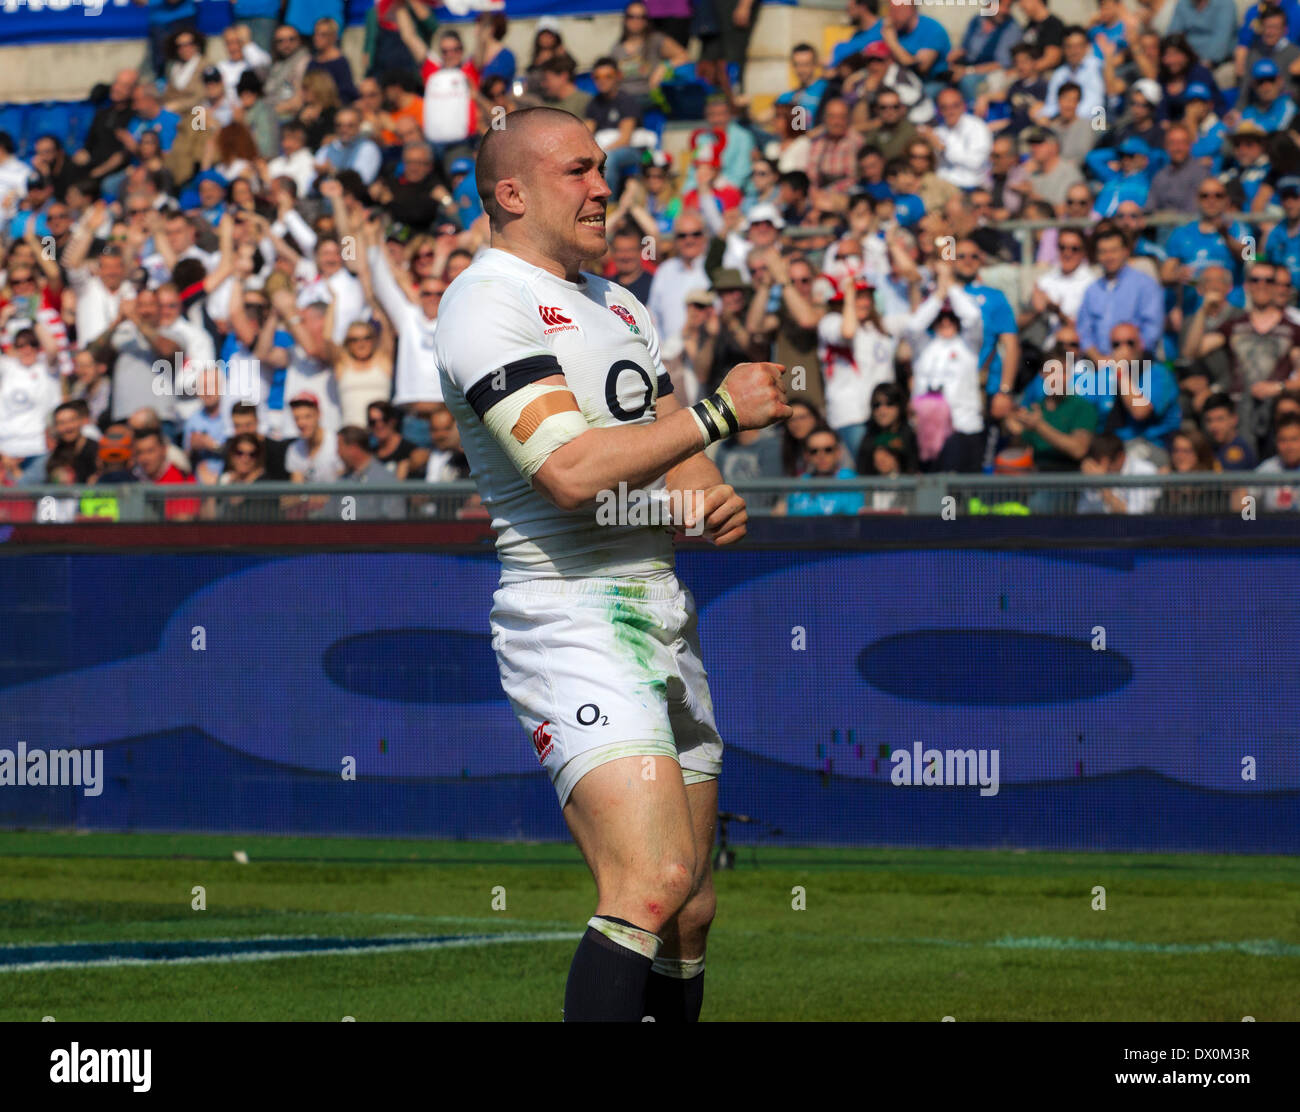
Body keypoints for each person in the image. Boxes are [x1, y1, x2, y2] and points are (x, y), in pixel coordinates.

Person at [433, 106, 790, 1023]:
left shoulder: (619, 303)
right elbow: (569, 472)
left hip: (659, 604)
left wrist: (711, 496)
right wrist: (718, 414)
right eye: (579, 171)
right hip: (570, 611)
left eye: (605, 168)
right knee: (652, 880)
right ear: (510, 192)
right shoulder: (487, 300)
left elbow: (677, 466)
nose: (603, 189)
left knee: (692, 909)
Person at [776, 425, 864, 516]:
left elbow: (852, 523)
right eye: (814, 451)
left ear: (838, 452)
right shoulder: (799, 484)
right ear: (806, 456)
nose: (821, 456)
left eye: (828, 450)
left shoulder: (851, 482)